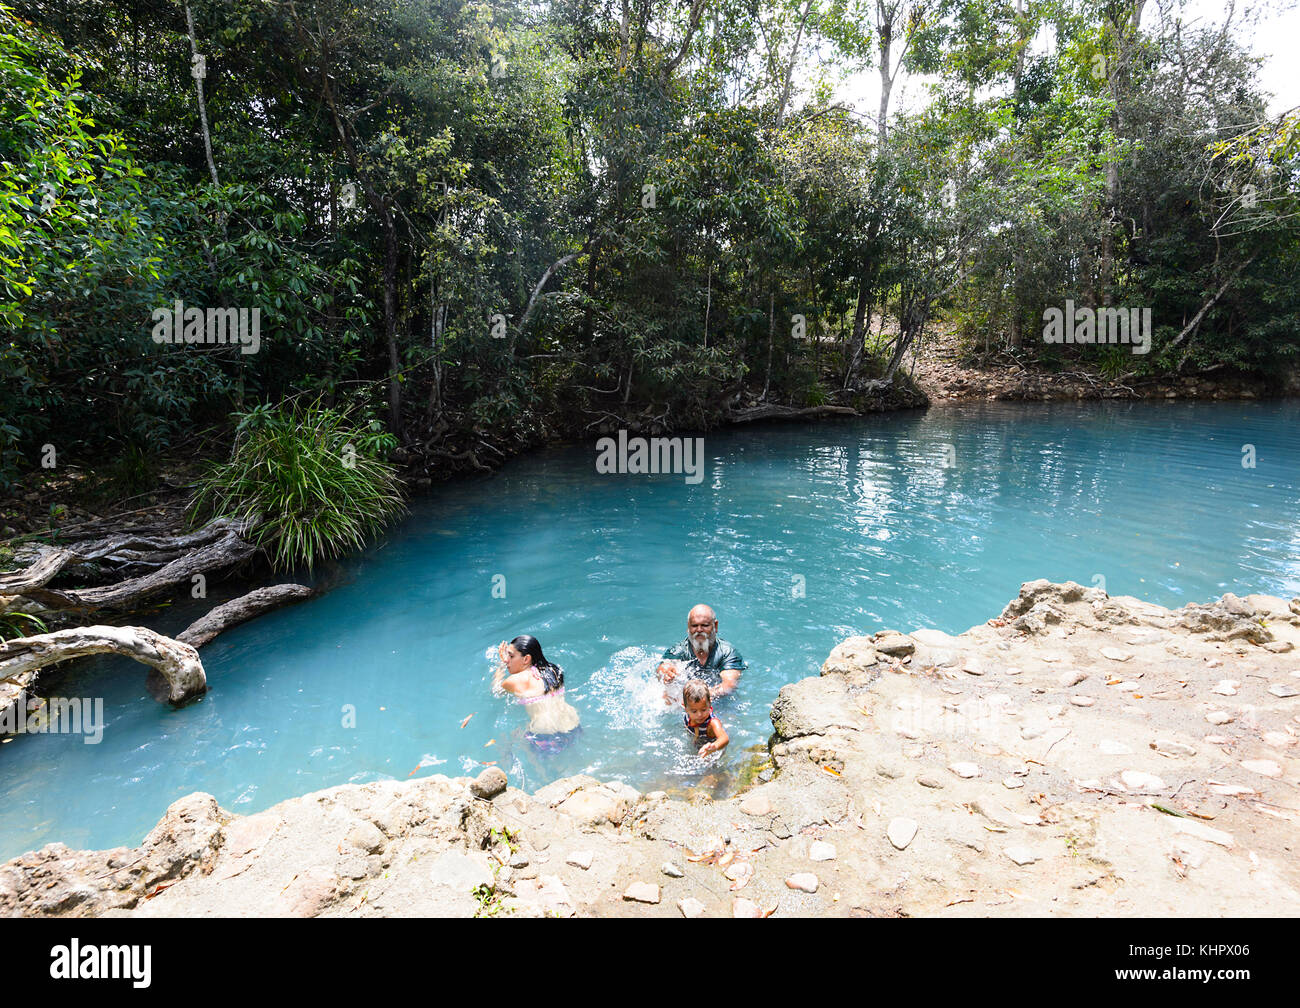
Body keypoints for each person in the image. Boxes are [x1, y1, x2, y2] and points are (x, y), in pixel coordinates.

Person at [493, 635, 580, 752]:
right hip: (573, 726)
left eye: (511, 656)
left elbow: (497, 691)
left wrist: (501, 666)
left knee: (508, 743)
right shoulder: (553, 670)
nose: (507, 659)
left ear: (526, 659)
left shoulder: (514, 681)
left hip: (546, 735)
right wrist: (510, 661)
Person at [657, 604, 745, 698]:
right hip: (687, 702)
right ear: (688, 627)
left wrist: (697, 698)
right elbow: (662, 670)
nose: (699, 630)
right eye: (694, 626)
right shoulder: (678, 651)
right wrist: (664, 673)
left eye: (704, 625)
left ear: (715, 625)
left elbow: (728, 686)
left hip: (721, 701)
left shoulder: (727, 653)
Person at [682, 679, 728, 757]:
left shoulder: (713, 723)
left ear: (709, 704)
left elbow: (724, 738)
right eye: (694, 711)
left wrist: (714, 746)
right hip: (698, 742)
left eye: (703, 710)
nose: (699, 715)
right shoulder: (687, 714)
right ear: (685, 708)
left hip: (710, 749)